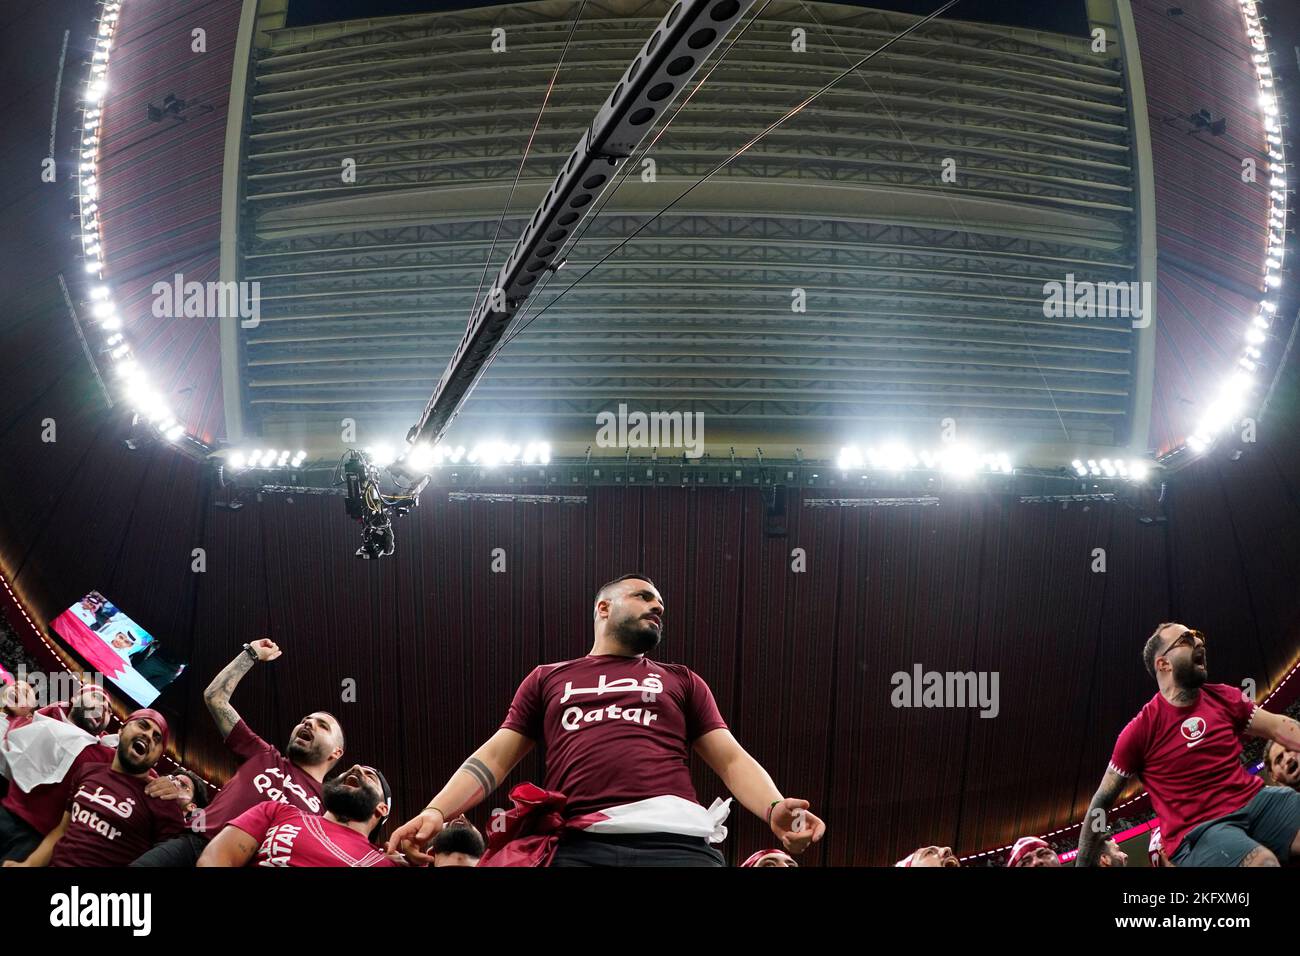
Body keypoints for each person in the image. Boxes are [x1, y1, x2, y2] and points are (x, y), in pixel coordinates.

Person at [388, 574, 825, 867]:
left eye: (661, 604)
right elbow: (496, 758)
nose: (658, 607)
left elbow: (730, 759)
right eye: (644, 597)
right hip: (579, 848)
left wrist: (773, 807)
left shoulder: (681, 680)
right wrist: (436, 810)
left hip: (677, 846)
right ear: (603, 607)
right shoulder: (547, 678)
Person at [1075, 623, 1300, 866]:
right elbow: (1101, 802)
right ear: (1164, 664)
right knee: (1263, 863)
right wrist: (1082, 864)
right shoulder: (1139, 731)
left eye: (1198, 636)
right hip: (1199, 832)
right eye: (1186, 639)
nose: (1199, 642)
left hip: (1255, 801)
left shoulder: (1224, 697)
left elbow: (1278, 727)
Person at [132, 639, 345, 866]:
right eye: (305, 720)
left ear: (336, 752)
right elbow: (215, 697)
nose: (308, 724)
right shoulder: (263, 753)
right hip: (191, 846)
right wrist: (250, 654)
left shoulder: (327, 808)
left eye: (322, 725)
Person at [4, 710, 185, 867]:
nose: (148, 736)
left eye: (157, 737)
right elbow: (62, 830)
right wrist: (29, 864)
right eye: (143, 726)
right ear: (121, 731)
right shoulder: (88, 771)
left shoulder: (162, 800)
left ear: (156, 759)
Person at [196, 764, 393, 867]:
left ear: (382, 809)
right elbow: (217, 858)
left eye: (370, 776)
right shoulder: (277, 811)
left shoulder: (384, 863)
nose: (356, 768)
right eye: (348, 770)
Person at [0, 685, 114, 861]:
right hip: (5, 810)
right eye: (97, 698)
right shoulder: (37, 720)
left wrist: (169, 782)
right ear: (75, 699)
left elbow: (144, 773)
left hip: (36, 841)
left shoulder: (107, 757)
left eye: (109, 710)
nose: (104, 707)